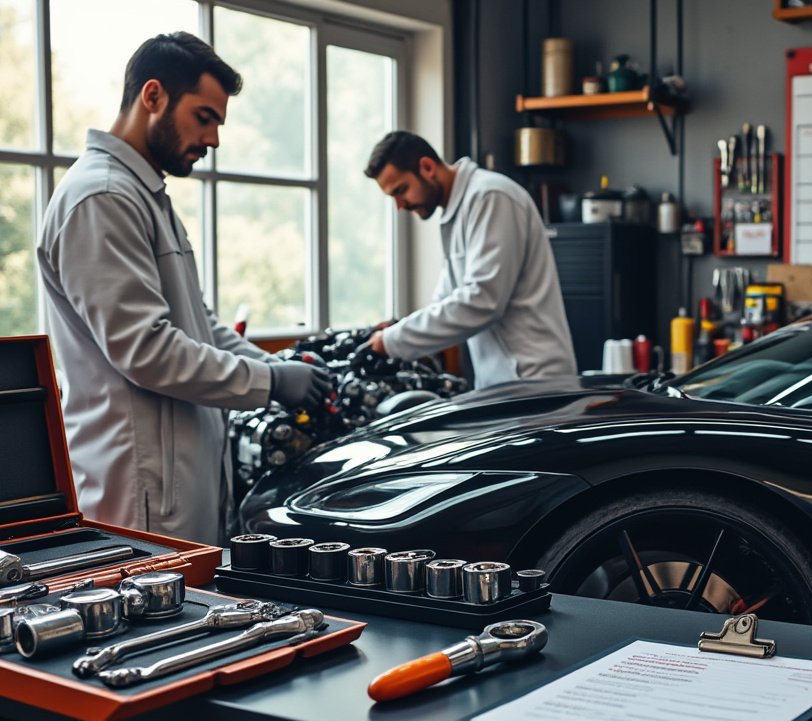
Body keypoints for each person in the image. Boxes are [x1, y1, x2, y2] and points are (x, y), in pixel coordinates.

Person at [36, 32, 327, 545]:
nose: (213, 139)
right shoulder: (102, 197)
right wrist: (269, 381)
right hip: (139, 495)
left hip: (173, 487)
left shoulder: (144, 196)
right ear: (154, 97)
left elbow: (201, 324)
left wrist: (279, 367)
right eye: (205, 117)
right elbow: (146, 350)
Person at [363, 131, 576, 388]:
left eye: (401, 190)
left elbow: (482, 300)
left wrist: (392, 341)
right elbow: (445, 302)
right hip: (502, 384)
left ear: (427, 167)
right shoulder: (457, 211)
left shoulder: (491, 197)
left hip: (534, 381)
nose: (399, 205)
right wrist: (398, 328)